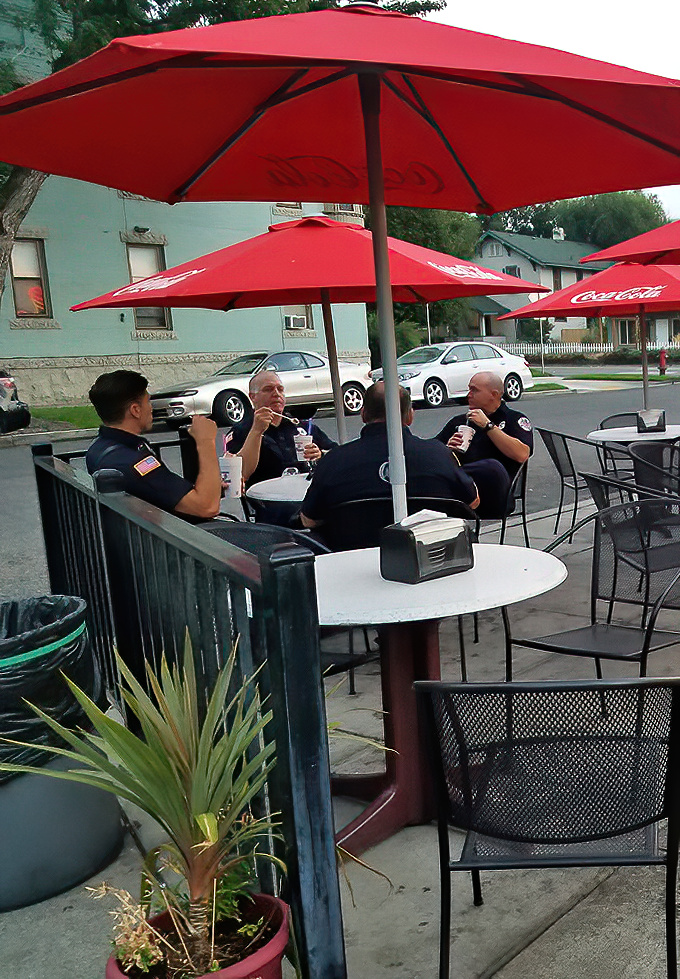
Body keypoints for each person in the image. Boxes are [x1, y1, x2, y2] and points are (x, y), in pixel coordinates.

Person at [300, 381, 479, 529]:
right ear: (410, 416)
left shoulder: (334, 460)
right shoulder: (439, 455)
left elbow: (309, 520)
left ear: (363, 414)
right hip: (431, 560)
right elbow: (472, 502)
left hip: (350, 559)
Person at [86, 369, 222, 521]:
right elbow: (207, 507)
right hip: (171, 538)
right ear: (135, 410)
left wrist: (212, 484)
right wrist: (205, 440)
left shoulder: (99, 447)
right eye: (148, 401)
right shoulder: (134, 463)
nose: (151, 408)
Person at [435, 371, 533, 519]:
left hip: (494, 496)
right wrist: (447, 449)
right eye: (469, 389)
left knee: (491, 467)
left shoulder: (514, 419)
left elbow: (522, 454)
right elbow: (432, 450)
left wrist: (488, 426)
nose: (469, 394)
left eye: (474, 390)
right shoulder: (460, 421)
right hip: (460, 492)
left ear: (494, 394)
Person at [227, 370, 337, 488]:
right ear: (253, 397)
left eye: (280, 389)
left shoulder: (299, 425)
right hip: (265, 499)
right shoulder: (241, 430)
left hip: (305, 495)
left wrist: (320, 454)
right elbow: (238, 475)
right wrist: (256, 431)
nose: (276, 394)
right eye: (268, 389)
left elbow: (337, 454)